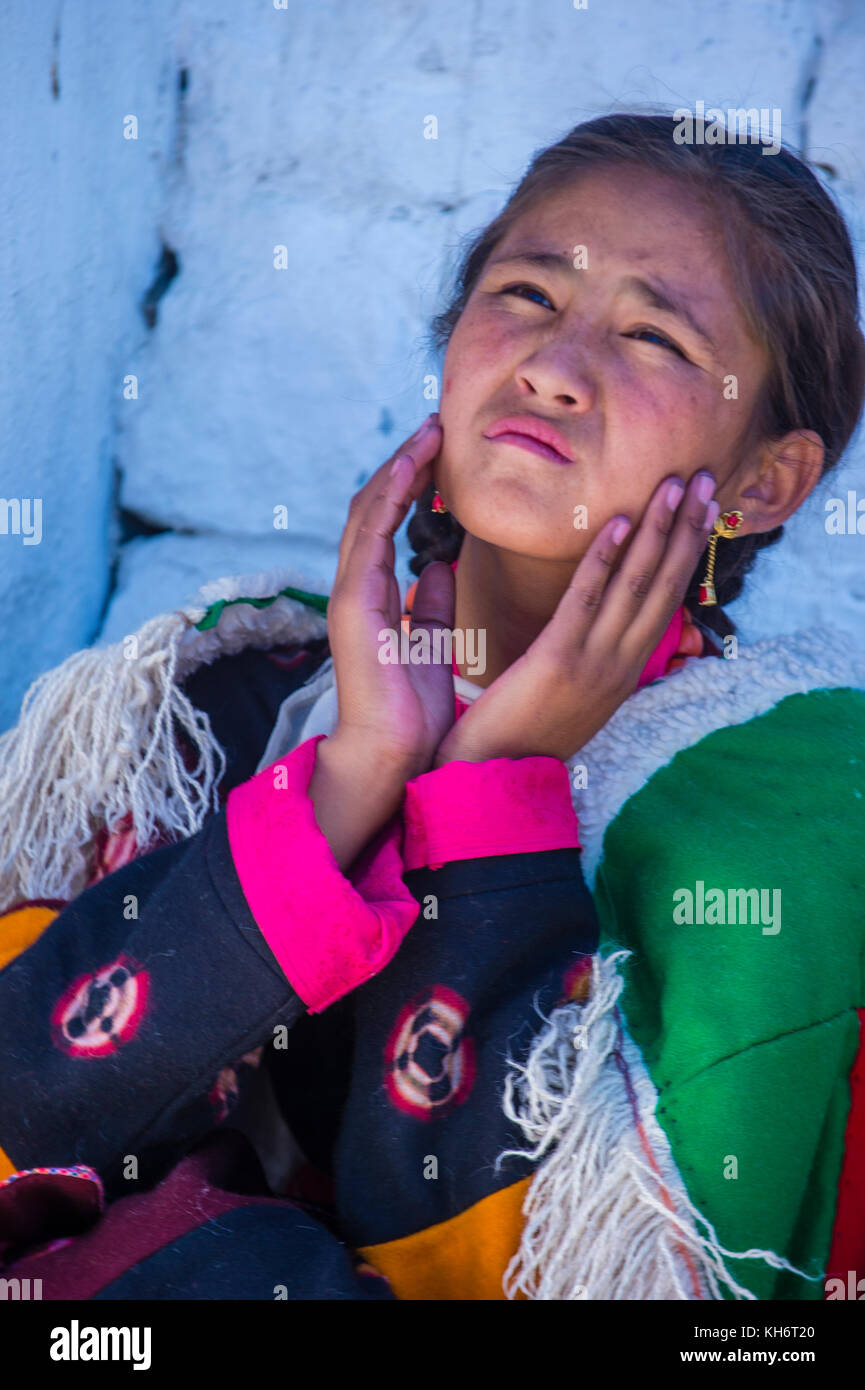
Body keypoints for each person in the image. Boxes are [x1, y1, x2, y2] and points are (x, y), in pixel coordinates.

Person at [0, 113, 863, 1302]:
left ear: (764, 481)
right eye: (522, 293)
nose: (553, 366)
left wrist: (491, 790)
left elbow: (494, 1276)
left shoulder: (776, 822)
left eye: (653, 334)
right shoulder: (216, 701)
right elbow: (24, 1099)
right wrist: (358, 770)